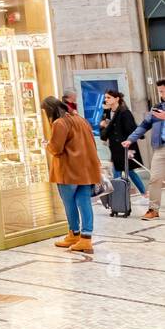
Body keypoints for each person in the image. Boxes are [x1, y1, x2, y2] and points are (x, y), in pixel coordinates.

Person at [46, 94, 102, 253]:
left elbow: (56, 148)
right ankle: (86, 239)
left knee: (69, 203)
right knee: (84, 202)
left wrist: (47, 145)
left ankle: (74, 234)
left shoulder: (60, 123)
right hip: (86, 170)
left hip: (68, 171)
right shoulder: (81, 120)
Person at [122, 80, 165, 220]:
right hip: (160, 148)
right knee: (154, 179)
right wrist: (130, 139)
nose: (161, 94)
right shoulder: (157, 108)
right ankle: (153, 209)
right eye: (160, 91)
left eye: (163, 91)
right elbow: (144, 125)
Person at [100, 90, 146, 207]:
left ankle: (117, 200)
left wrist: (130, 149)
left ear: (117, 99)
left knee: (120, 173)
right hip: (115, 149)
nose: (106, 100)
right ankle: (141, 195)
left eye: (109, 97)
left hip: (125, 148)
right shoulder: (108, 113)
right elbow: (103, 135)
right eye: (105, 98)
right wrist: (103, 124)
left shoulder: (125, 113)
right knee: (125, 172)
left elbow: (132, 131)